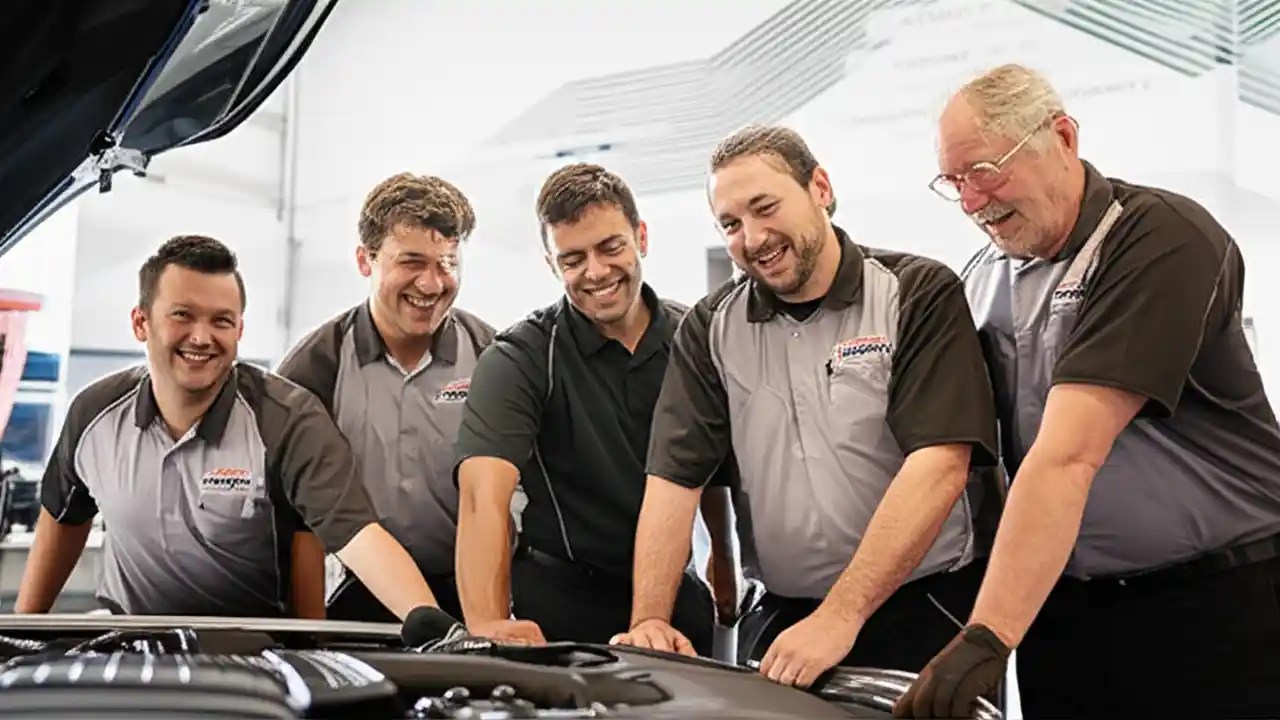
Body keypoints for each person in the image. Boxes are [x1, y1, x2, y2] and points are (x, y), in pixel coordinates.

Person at [894, 64, 1280, 719]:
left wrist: (987, 635)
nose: (971, 201)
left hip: (1214, 600)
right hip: (1063, 611)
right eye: (953, 181)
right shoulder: (981, 277)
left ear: (1063, 138)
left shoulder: (1159, 237)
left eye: (984, 170)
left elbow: (1069, 453)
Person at [610, 124, 1001, 690]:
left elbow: (939, 464)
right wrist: (649, 617)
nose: (752, 236)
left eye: (765, 207)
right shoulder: (711, 327)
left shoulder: (916, 291)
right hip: (785, 617)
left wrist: (842, 614)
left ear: (820, 187)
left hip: (926, 608)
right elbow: (673, 479)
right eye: (731, 224)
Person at [15, 235, 443, 622]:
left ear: (239, 329)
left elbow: (357, 535)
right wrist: (22, 633)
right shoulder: (94, 414)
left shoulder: (286, 420)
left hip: (254, 653)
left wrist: (431, 623)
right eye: (182, 315)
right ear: (141, 322)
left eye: (221, 321)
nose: (202, 337)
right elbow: (65, 515)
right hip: (129, 645)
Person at [451, 163, 727, 650]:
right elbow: (482, 498)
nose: (596, 272)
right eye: (573, 258)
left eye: (610, 247)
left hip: (675, 601)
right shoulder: (521, 357)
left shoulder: (696, 340)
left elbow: (710, 463)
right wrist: (488, 625)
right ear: (551, 264)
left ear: (641, 237)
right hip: (561, 605)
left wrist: (724, 558)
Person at [277, 172, 493, 622]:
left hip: (476, 590)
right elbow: (296, 525)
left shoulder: (491, 356)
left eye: (448, 263)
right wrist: (309, 638)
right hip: (363, 592)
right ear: (365, 259)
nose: (432, 284)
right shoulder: (315, 368)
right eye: (412, 262)